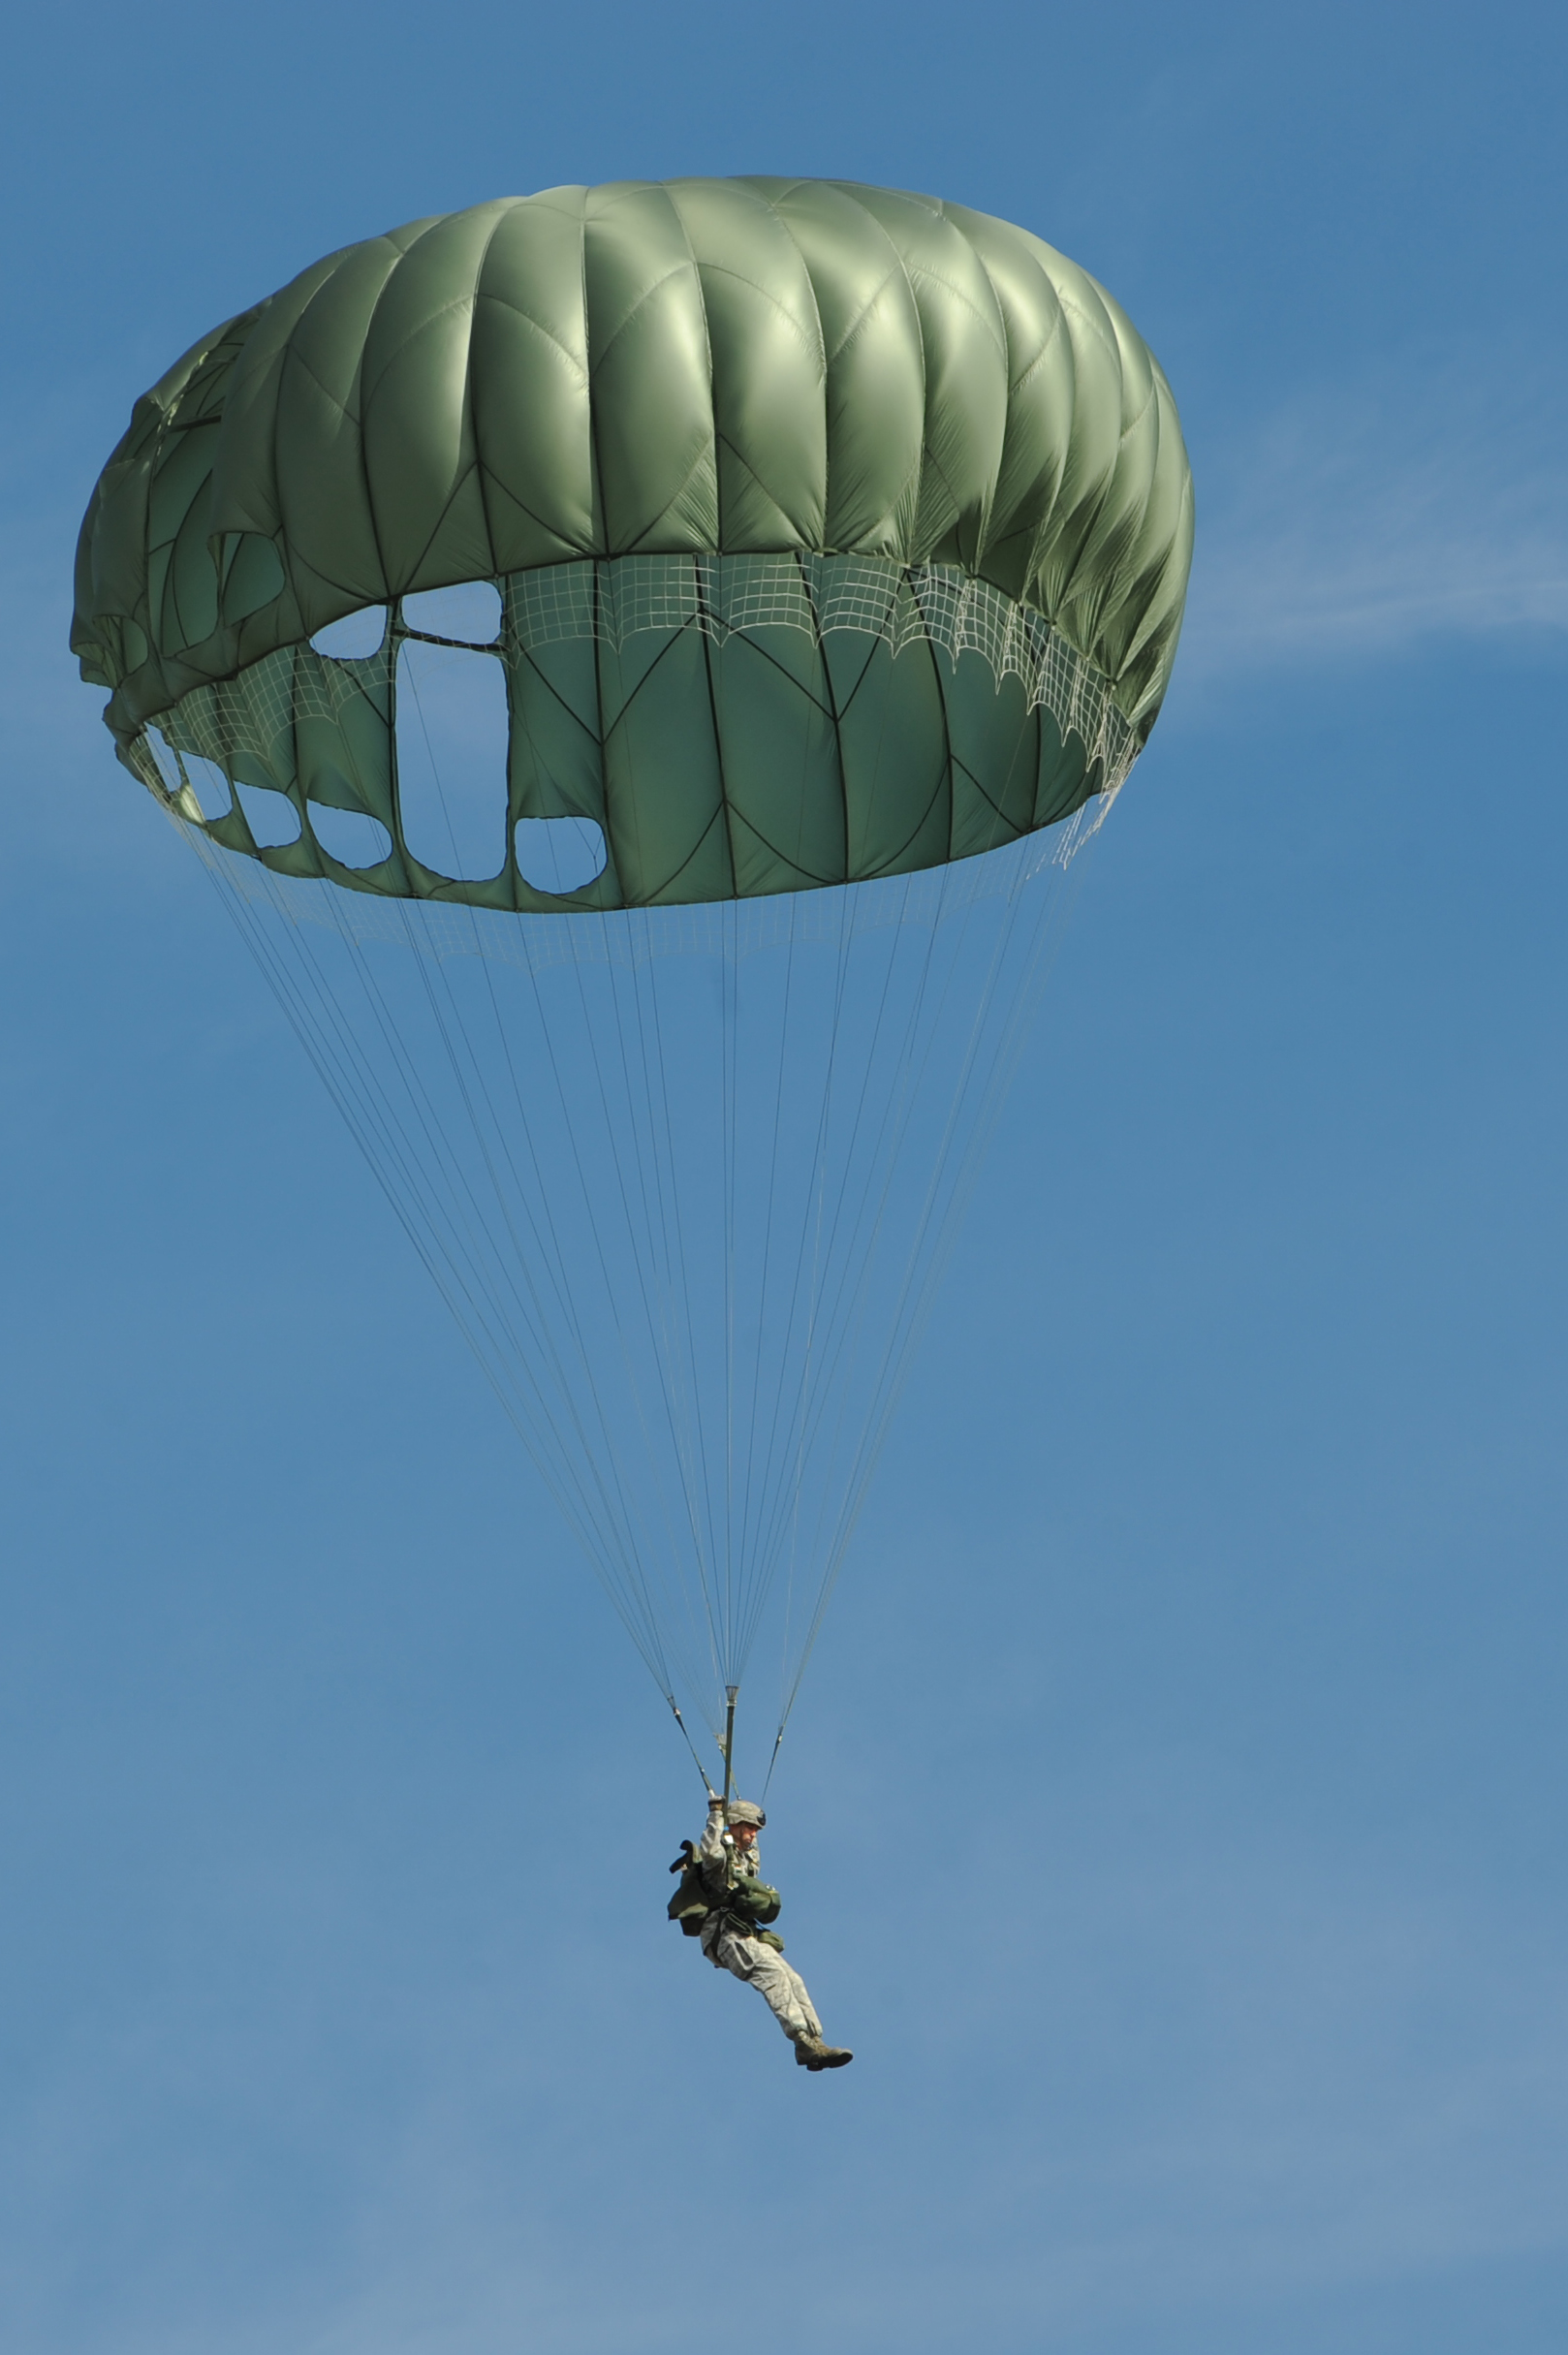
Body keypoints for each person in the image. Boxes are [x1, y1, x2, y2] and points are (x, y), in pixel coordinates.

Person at [686, 1795, 853, 2071]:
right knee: (772, 1976)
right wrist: (716, 1815)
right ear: (735, 1825)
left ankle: (815, 2042)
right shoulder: (718, 1860)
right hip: (723, 1935)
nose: (753, 1834)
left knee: (793, 1979)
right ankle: (801, 2040)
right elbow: (712, 1853)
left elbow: (752, 1857)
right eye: (749, 1827)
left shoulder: (744, 1858)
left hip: (743, 1933)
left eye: (756, 1830)